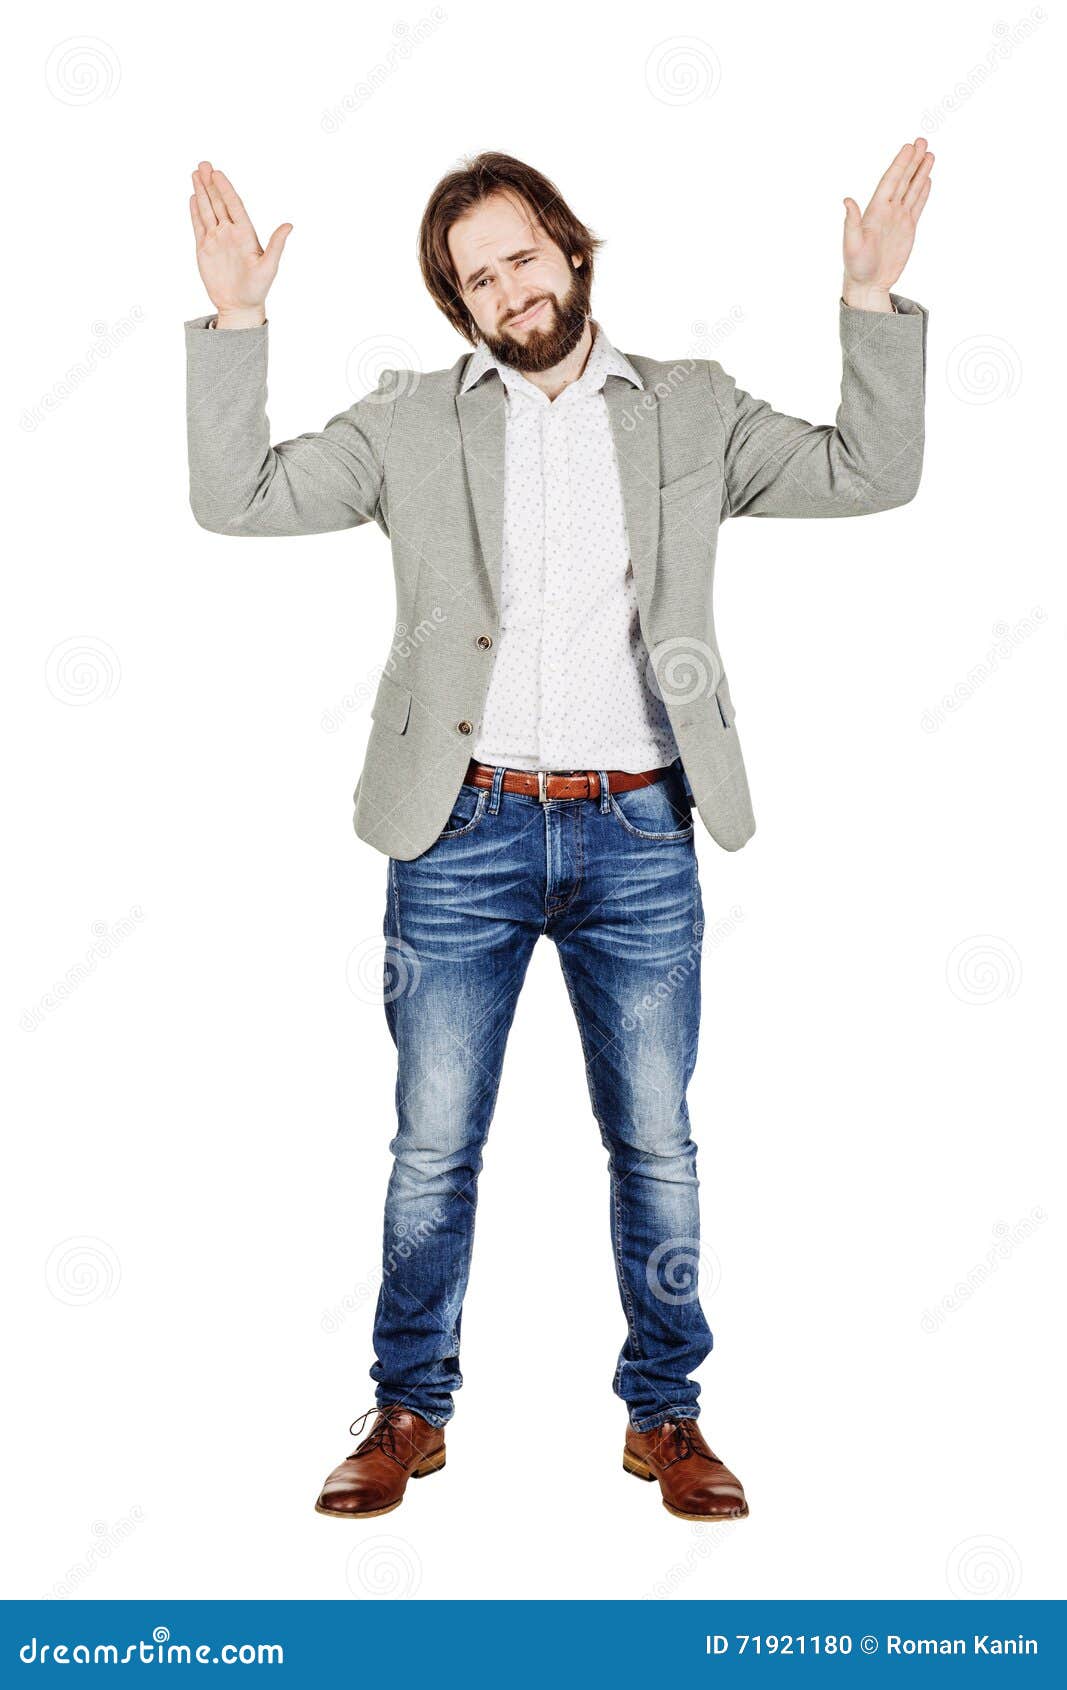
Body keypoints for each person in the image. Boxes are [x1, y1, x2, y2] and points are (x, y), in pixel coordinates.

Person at [185, 142, 932, 1523]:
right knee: (432, 1143)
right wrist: (238, 321)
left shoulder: (692, 406)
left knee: (656, 1144)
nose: (509, 290)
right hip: (458, 831)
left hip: (638, 830)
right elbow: (240, 497)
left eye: (522, 256)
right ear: (459, 305)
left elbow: (869, 471)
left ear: (571, 249)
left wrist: (871, 301)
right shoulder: (410, 419)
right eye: (477, 279)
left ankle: (668, 1414)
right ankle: (409, 1407)